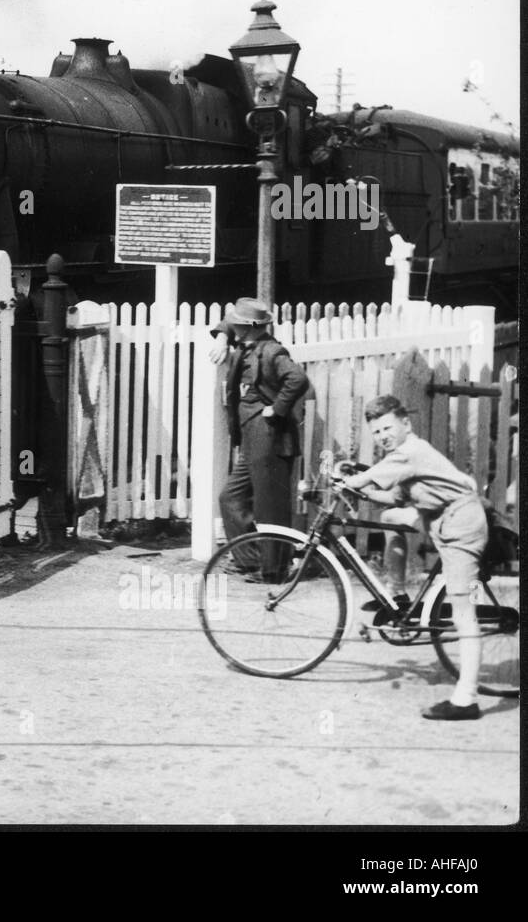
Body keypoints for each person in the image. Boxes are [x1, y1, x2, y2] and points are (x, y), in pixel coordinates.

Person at [338, 395, 489, 721]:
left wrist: (351, 481)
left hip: (461, 526)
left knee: (464, 613)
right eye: (376, 433)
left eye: (388, 428)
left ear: (406, 424)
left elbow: (369, 476)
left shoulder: (412, 451)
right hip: (439, 519)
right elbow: (389, 496)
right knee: (392, 517)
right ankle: (398, 593)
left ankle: (466, 699)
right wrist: (361, 491)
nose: (383, 437)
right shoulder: (402, 459)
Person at [207, 297, 309, 580]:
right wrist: (222, 338)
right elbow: (227, 323)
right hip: (252, 438)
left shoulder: (272, 351)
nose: (235, 327)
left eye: (239, 325)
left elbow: (298, 379)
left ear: (250, 327)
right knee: (230, 498)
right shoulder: (246, 342)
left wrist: (276, 409)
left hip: (271, 437)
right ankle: (250, 560)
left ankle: (274, 571)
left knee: (270, 508)